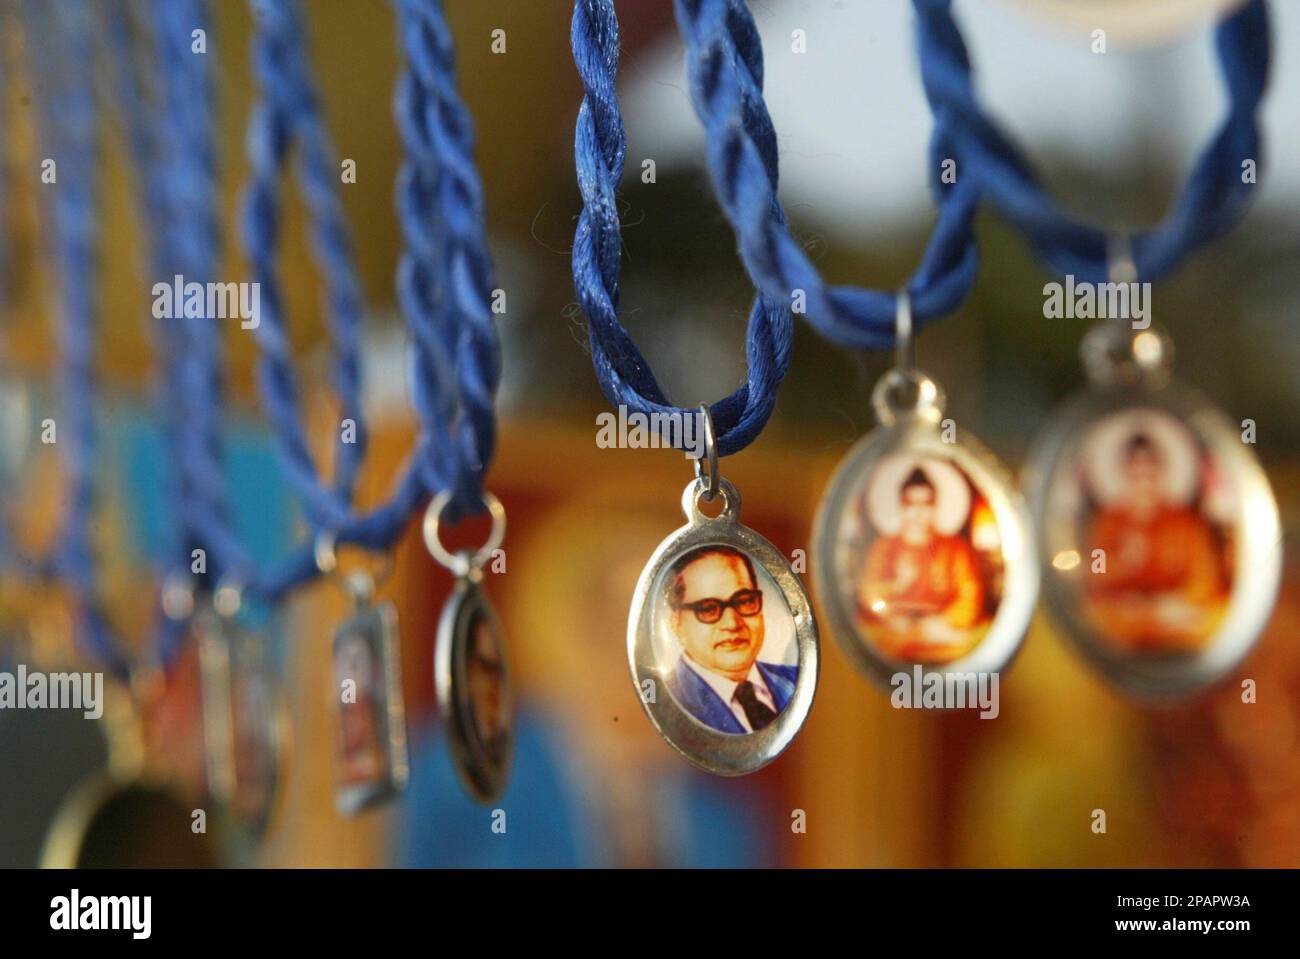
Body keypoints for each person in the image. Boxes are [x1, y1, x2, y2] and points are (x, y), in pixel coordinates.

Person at [1084, 431, 1226, 652]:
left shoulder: (1185, 522)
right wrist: (1123, 563)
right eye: (1136, 476)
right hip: (1126, 620)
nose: (1144, 484)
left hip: (1176, 618)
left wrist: (1172, 604)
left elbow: (1206, 577)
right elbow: (1094, 578)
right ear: (1125, 475)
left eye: (1150, 474)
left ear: (1162, 474)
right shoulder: (1109, 522)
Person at [857, 466, 987, 663]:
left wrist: (940, 622)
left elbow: (970, 596)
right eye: (910, 503)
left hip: (941, 629)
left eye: (926, 503)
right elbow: (869, 592)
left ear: (935, 507)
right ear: (901, 507)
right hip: (894, 627)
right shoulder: (883, 547)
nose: (918, 512)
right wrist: (897, 586)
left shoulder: (955, 548)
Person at [663, 546, 796, 734]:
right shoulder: (669, 702)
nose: (732, 623)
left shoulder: (796, 678)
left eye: (744, 601)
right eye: (709, 609)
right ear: (676, 623)